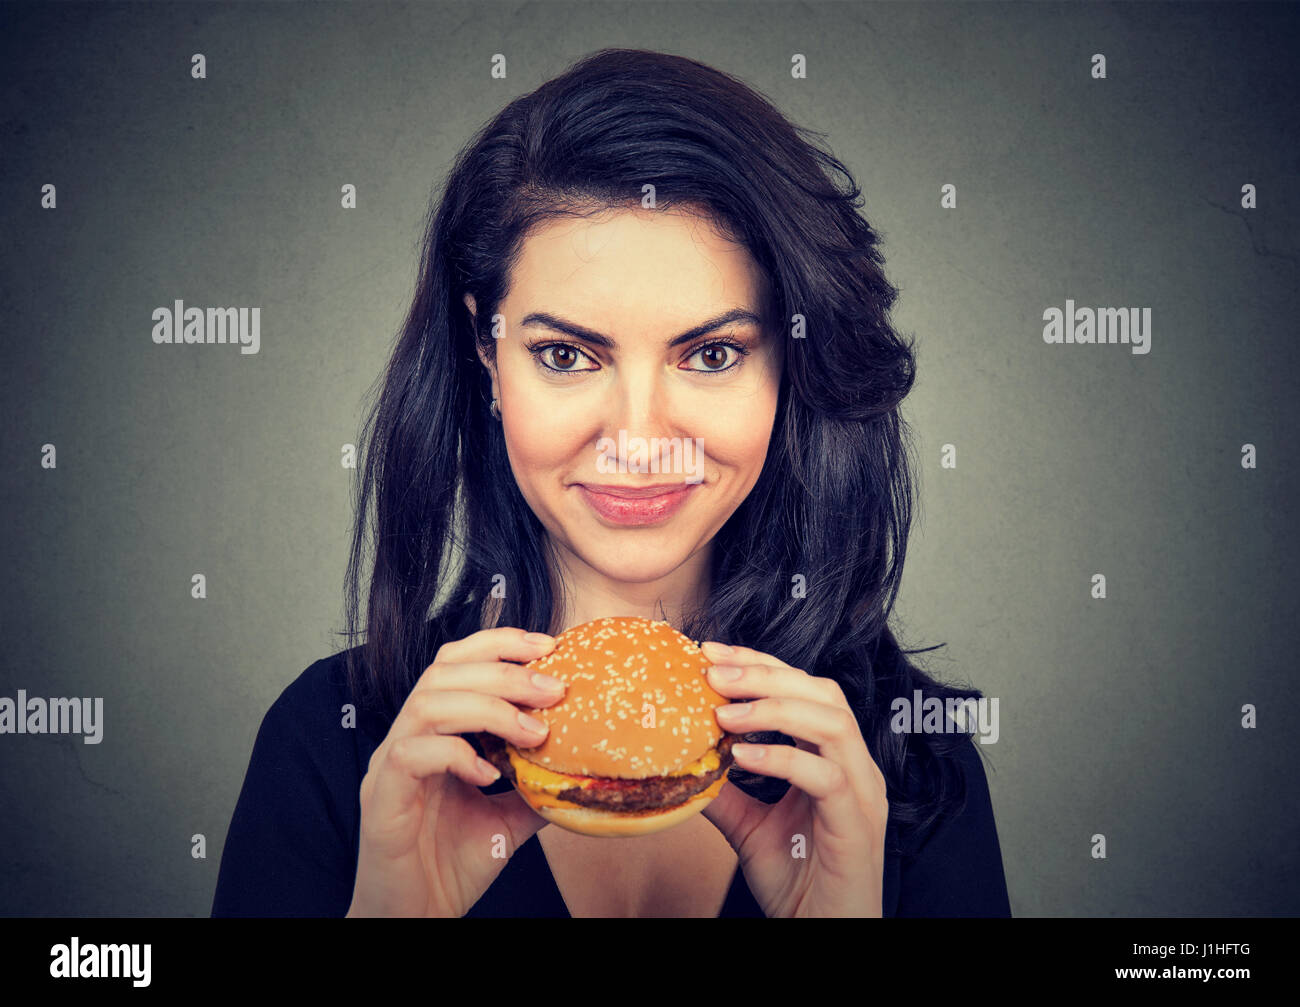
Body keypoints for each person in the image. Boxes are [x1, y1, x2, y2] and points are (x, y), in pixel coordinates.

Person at [212, 47, 1011, 918]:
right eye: (566, 355)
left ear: (792, 362)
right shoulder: (335, 748)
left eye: (712, 354)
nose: (639, 441)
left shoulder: (905, 767)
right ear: (487, 350)